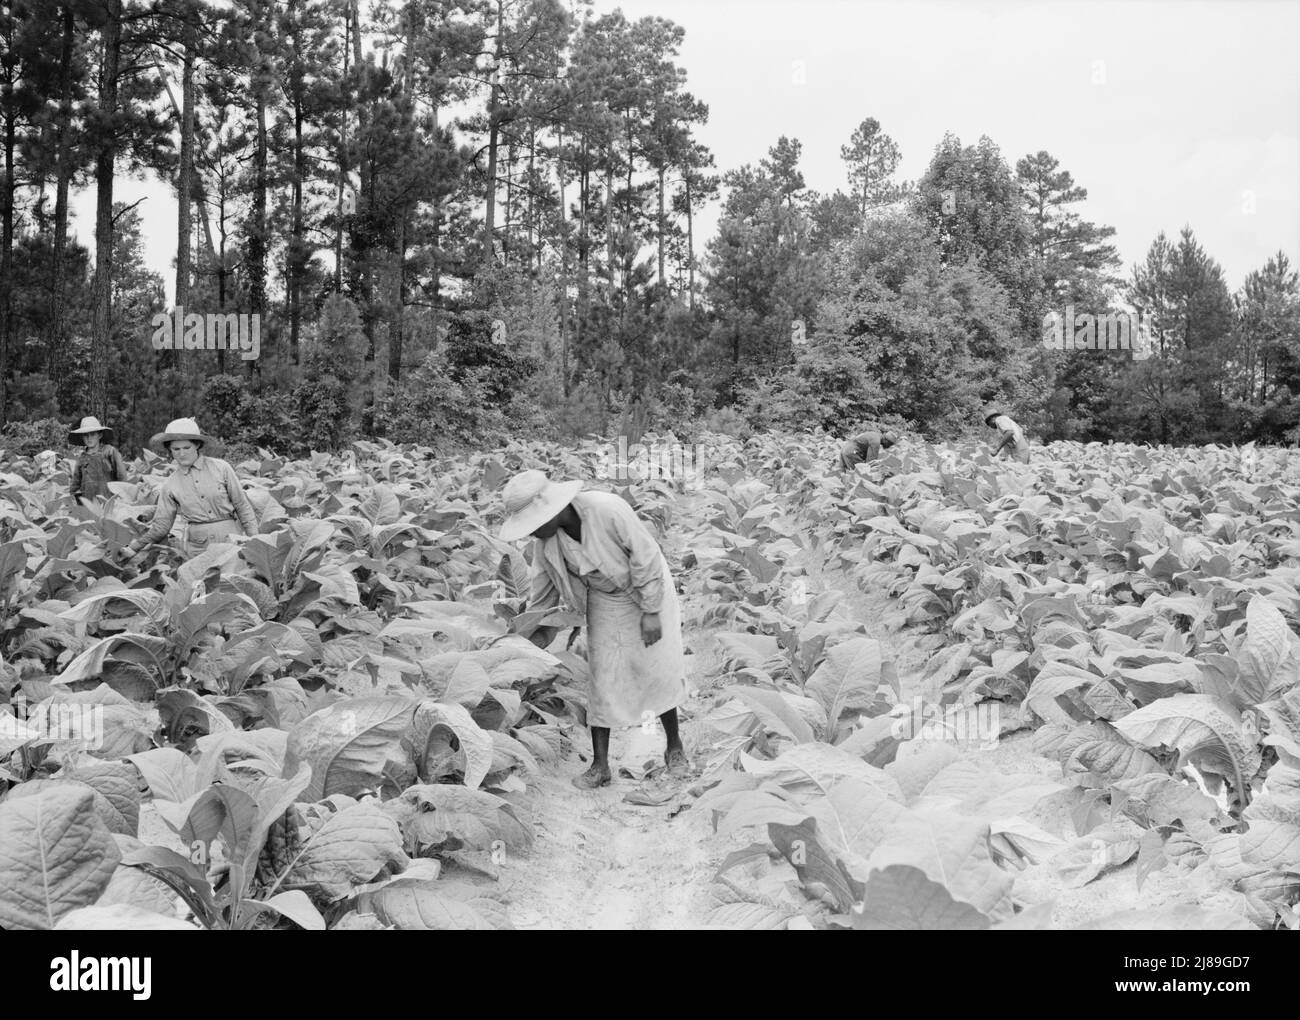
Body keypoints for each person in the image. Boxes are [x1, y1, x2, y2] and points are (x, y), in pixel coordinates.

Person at [499, 469, 689, 789]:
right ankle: (600, 766)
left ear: (555, 510)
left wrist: (651, 611)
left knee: (656, 667)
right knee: (601, 677)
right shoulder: (545, 547)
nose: (531, 533)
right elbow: (541, 606)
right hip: (605, 598)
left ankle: (674, 747)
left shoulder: (607, 509)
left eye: (534, 524)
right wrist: (519, 647)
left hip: (648, 586)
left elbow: (645, 557)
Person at [120, 418, 258, 561]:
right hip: (197, 548)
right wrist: (133, 547)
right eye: (176, 449)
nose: (181, 454)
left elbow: (242, 506)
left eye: (186, 448)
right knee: (198, 582)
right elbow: (161, 527)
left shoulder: (221, 468)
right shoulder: (170, 484)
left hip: (230, 540)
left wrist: (254, 541)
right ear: (170, 450)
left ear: (197, 445)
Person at [68, 416, 129, 503]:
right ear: (82, 437)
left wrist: (121, 500)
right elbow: (75, 486)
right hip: (89, 505)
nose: (89, 438)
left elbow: (122, 477)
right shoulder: (82, 459)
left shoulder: (110, 452)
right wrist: (77, 504)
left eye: (92, 434)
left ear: (99, 435)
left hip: (109, 503)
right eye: (86, 435)